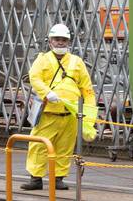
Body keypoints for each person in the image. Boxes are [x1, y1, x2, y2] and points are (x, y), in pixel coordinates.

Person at [21, 23, 97, 190]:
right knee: (39, 145)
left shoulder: (77, 62)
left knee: (64, 147)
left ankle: (58, 178)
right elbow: (35, 78)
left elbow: (87, 88)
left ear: (68, 42)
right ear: (50, 41)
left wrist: (89, 115)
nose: (60, 43)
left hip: (69, 114)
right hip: (48, 113)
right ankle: (36, 178)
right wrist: (47, 93)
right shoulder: (42, 60)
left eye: (64, 40)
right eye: (57, 39)